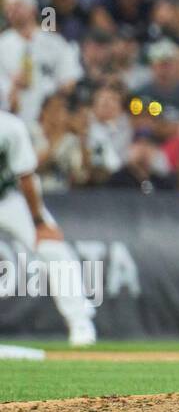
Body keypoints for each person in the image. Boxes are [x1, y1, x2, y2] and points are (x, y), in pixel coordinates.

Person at [0, 109, 97, 345]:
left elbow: (26, 176)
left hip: (8, 198)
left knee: (52, 247)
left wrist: (39, 221)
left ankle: (80, 322)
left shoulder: (9, 126)